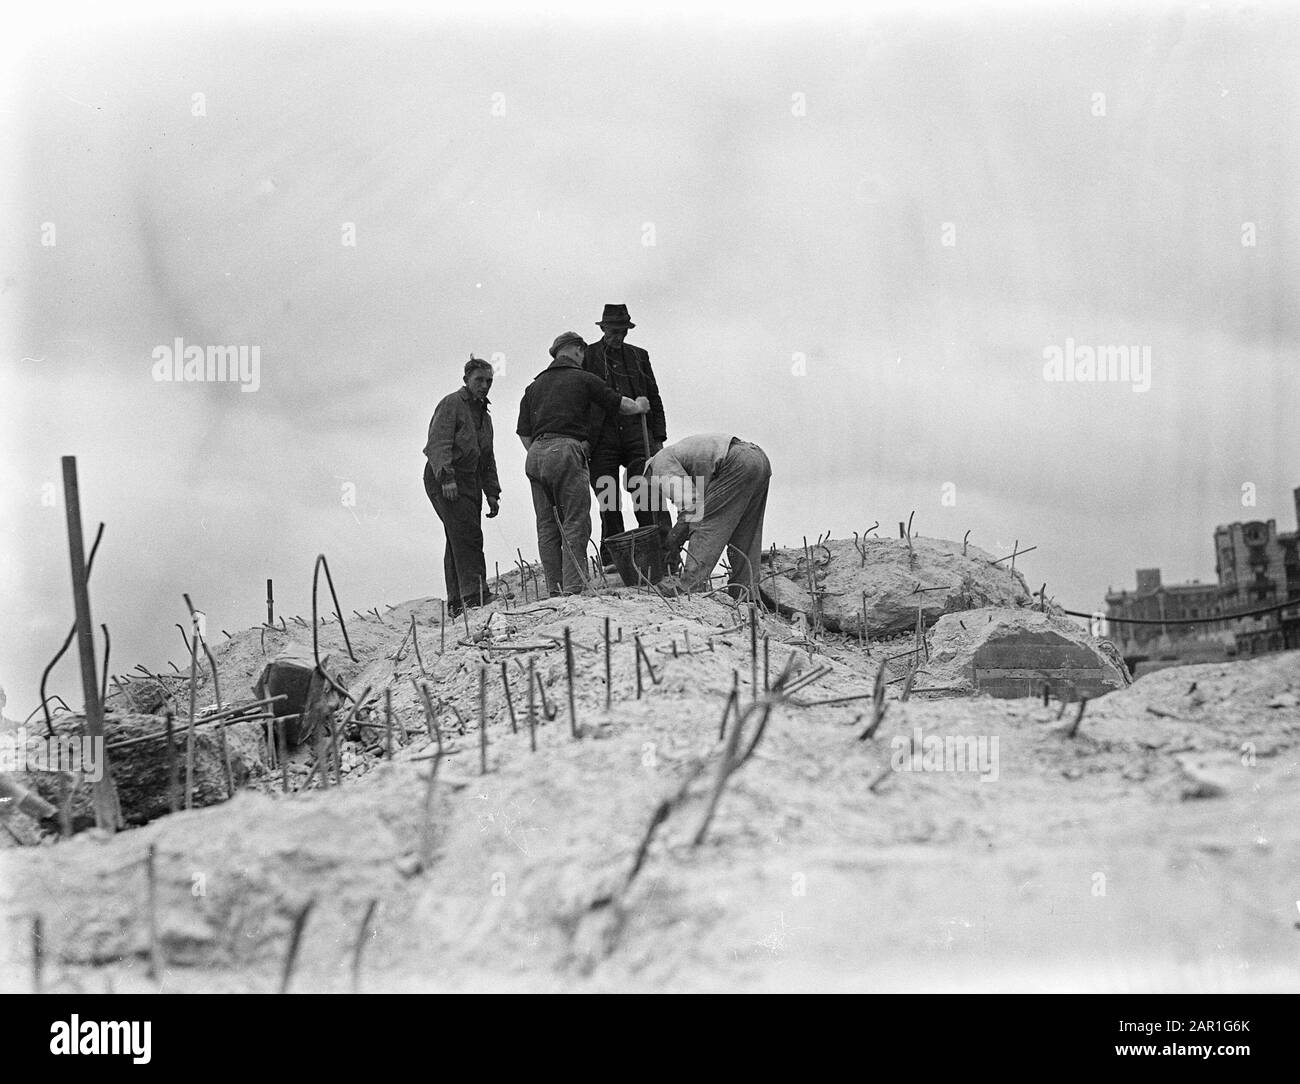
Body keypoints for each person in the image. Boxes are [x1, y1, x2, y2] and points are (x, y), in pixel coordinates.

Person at [518, 332, 651, 595]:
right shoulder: (583, 378)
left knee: (547, 525)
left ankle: (555, 589)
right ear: (578, 350)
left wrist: (541, 450)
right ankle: (574, 588)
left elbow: (523, 432)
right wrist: (638, 406)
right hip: (566, 449)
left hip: (534, 455)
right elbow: (617, 403)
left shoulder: (533, 387)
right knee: (575, 522)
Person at [583, 304, 670, 565]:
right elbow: (581, 397)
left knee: (644, 489)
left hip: (637, 433)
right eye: (613, 330)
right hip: (602, 436)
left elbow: (653, 396)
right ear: (603, 328)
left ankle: (654, 552)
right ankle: (613, 558)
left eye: (623, 330)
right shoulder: (588, 355)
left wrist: (658, 438)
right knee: (607, 496)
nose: (618, 335)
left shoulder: (639, 356)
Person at [643, 433, 772, 599]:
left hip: (736, 461)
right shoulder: (676, 457)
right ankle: (745, 591)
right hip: (758, 458)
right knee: (746, 533)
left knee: (705, 525)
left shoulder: (659, 466)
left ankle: (690, 586)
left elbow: (691, 507)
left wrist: (673, 540)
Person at [423, 356, 501, 617]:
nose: (485, 385)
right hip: (446, 478)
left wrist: (492, 493)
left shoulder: (484, 415)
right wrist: (447, 478)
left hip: (471, 480)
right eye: (479, 380)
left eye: (489, 381)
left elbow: (487, 457)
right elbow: (438, 443)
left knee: (458, 536)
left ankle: (458, 602)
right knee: (467, 534)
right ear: (466, 380)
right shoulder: (452, 404)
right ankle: (474, 596)